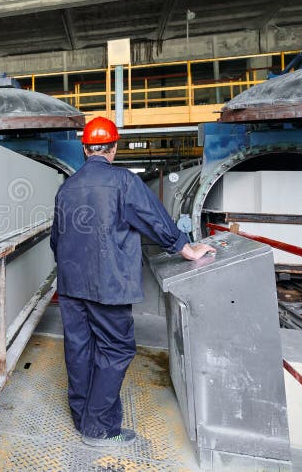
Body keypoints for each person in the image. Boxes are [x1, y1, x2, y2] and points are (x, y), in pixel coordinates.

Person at [49, 116, 215, 447]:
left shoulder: (66, 187)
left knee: (79, 349)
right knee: (115, 348)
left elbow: (57, 239)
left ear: (85, 149)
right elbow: (153, 218)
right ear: (112, 149)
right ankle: (98, 428)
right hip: (108, 286)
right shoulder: (123, 181)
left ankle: (82, 416)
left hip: (70, 284)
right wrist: (186, 248)